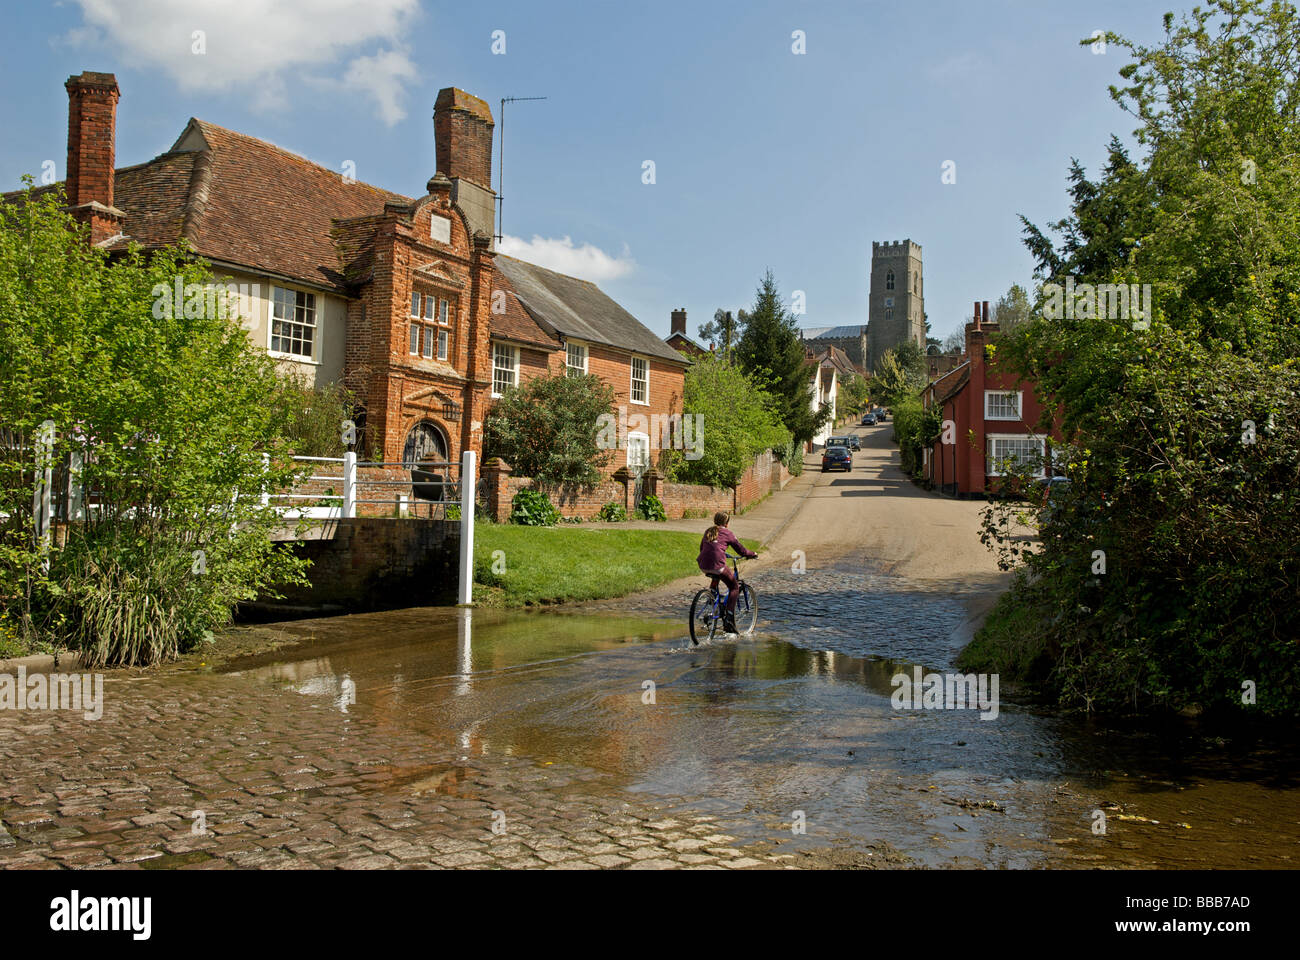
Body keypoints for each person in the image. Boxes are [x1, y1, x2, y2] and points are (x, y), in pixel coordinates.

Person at [697, 511, 757, 633]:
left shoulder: (708, 531)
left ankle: (712, 595)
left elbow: (702, 548)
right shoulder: (727, 533)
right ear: (727, 523)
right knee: (734, 586)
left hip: (703, 564)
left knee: (716, 574)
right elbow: (741, 551)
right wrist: (753, 554)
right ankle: (729, 618)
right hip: (717, 565)